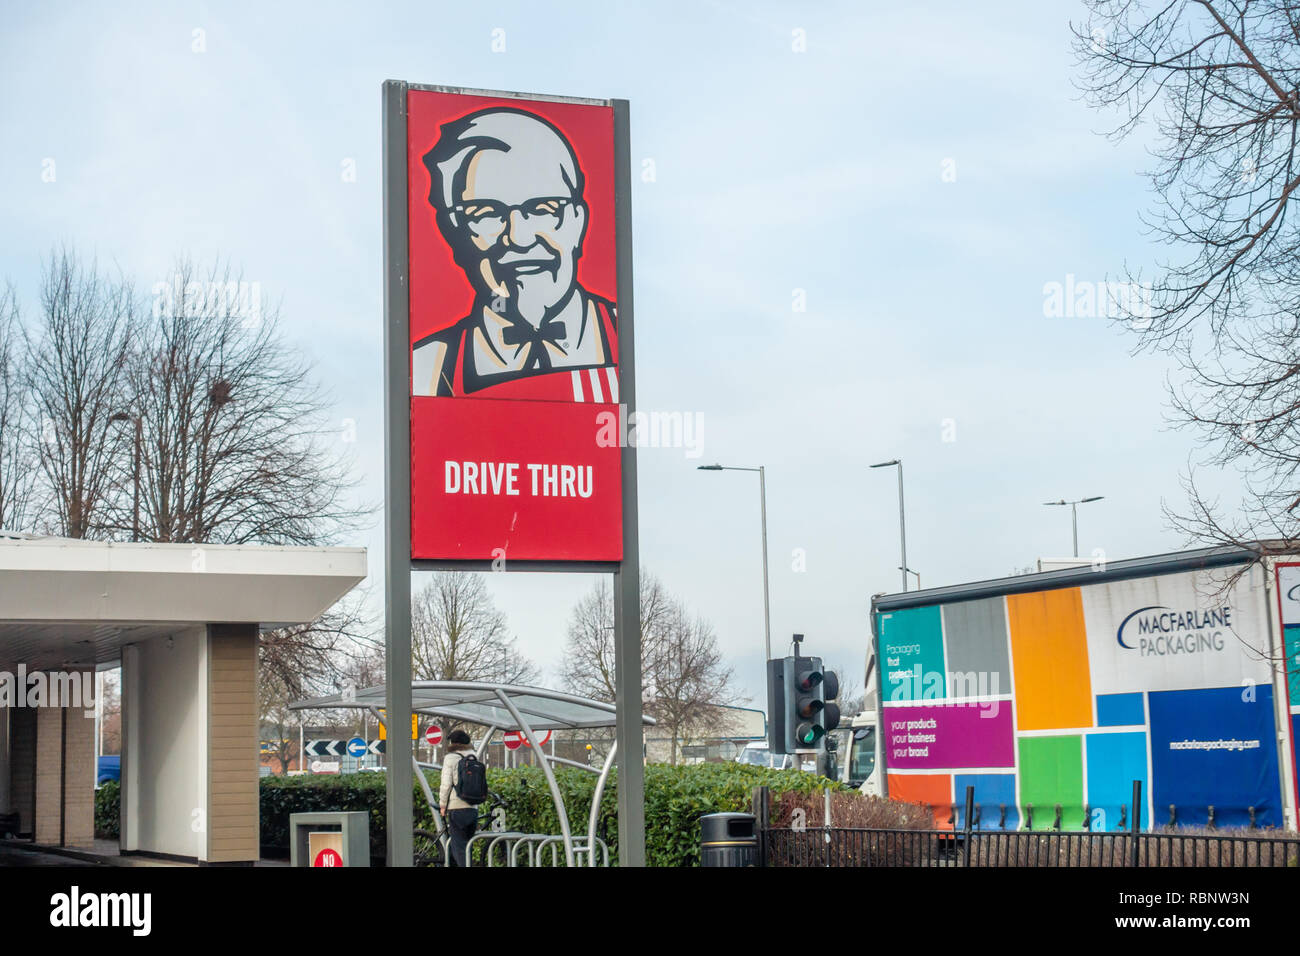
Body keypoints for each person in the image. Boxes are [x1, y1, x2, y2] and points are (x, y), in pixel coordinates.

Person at [411, 107, 619, 402]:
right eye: (486, 213)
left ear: (577, 221)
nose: (519, 238)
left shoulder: (631, 344)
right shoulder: (426, 370)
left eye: (543, 209)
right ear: (456, 234)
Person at [439, 729, 478, 867]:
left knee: (459, 847)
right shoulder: (474, 756)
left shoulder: (450, 758)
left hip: (457, 808)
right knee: (468, 846)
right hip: (473, 808)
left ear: (453, 743)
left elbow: (446, 784)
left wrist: (442, 805)